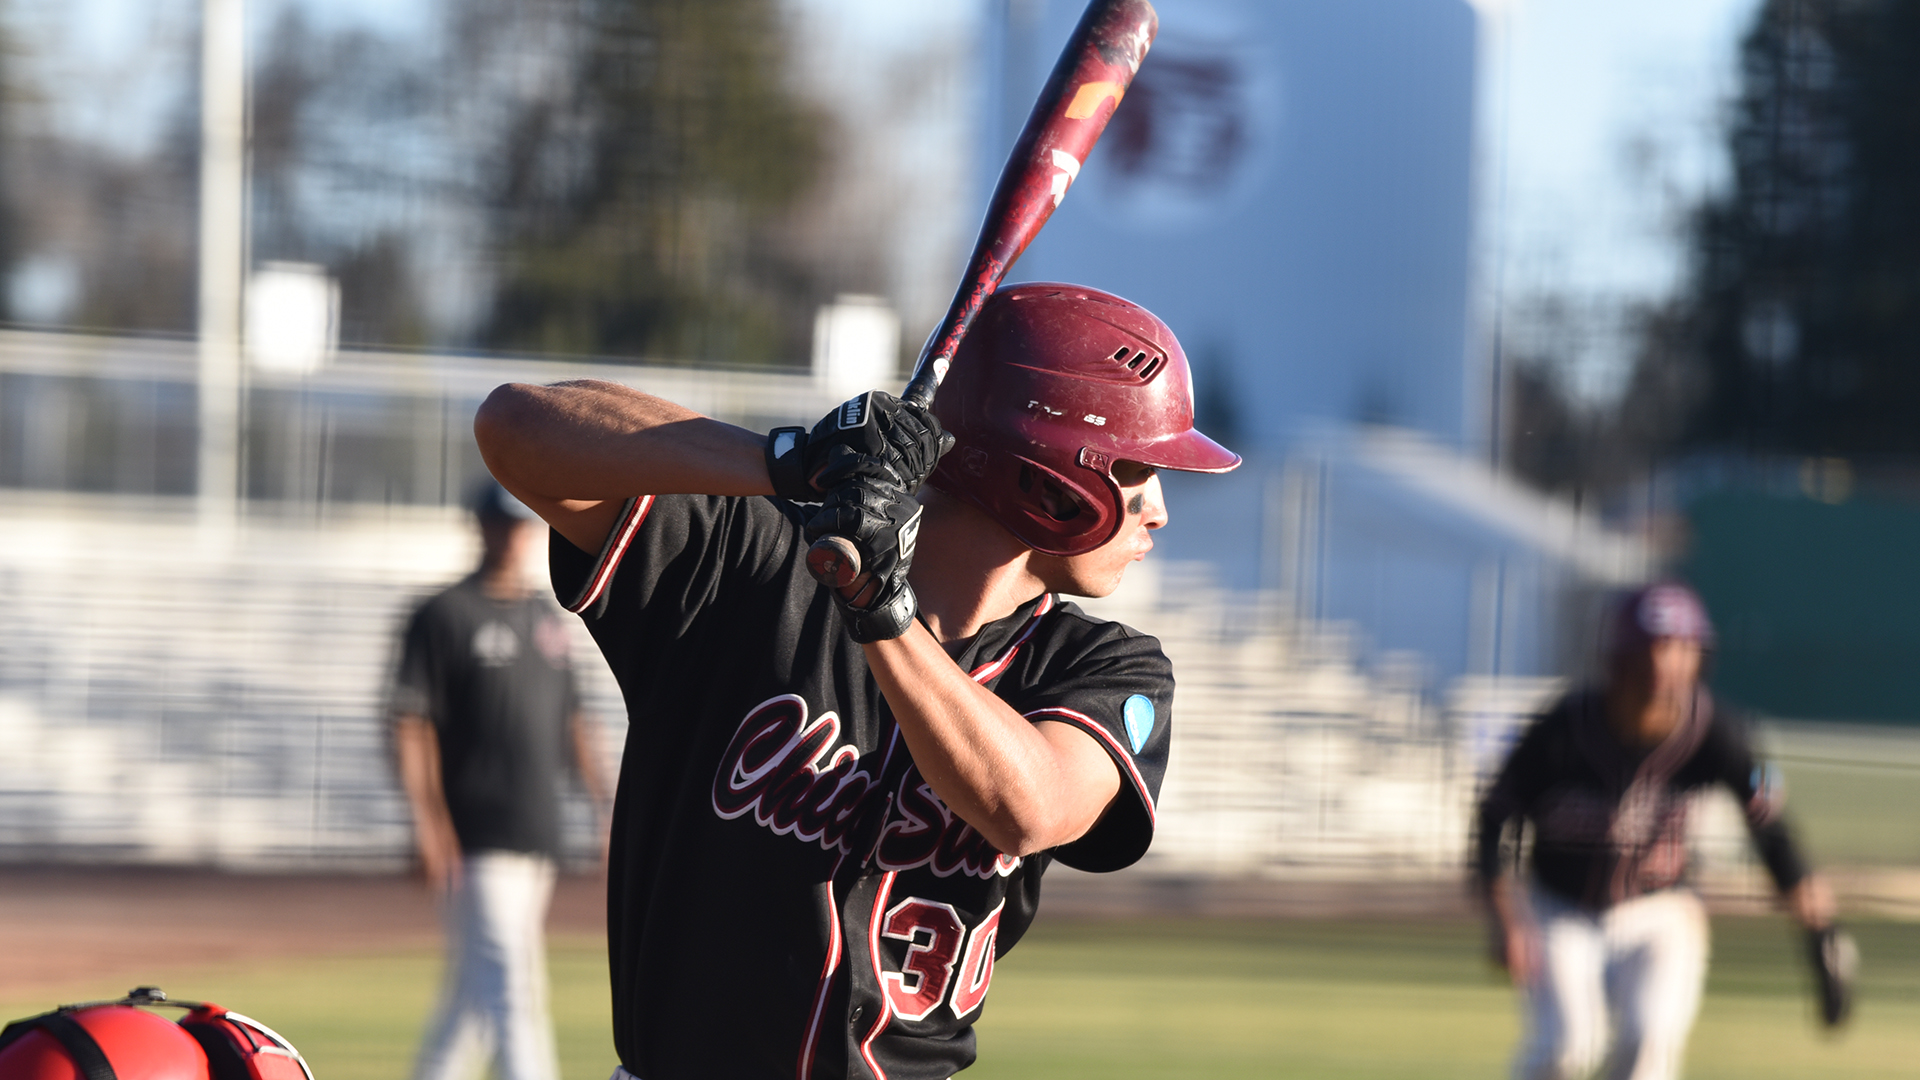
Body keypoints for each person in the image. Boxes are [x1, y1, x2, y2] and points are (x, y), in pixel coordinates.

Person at [473, 282, 1240, 1079]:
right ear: (1048, 483)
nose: (1157, 509)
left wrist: (882, 608)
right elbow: (514, 426)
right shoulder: (755, 560)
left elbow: (1028, 808)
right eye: (1137, 469)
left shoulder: (1104, 668)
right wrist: (789, 462)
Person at [1474, 582, 1836, 1080]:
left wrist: (1823, 938)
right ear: (1620, 658)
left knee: (1647, 1048)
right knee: (1567, 1047)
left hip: (1662, 911)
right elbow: (1493, 817)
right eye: (1655, 647)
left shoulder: (1716, 732)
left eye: (1682, 648)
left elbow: (1771, 832)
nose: (1667, 663)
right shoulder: (1563, 729)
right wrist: (1506, 916)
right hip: (1560, 909)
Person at [392, 481, 612, 1080]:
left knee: (471, 1001)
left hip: (535, 829)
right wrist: (427, 821)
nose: (515, 537)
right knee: (514, 990)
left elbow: (574, 721)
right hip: (474, 832)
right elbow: (411, 724)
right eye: (504, 524)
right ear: (481, 527)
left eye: (523, 526)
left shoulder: (549, 618)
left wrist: (603, 804)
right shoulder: (445, 614)